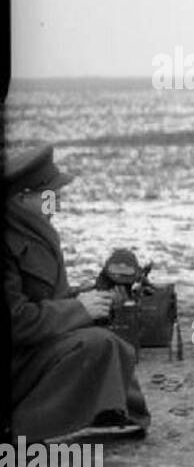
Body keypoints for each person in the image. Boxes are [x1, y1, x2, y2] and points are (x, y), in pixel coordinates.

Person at [4, 145, 151, 440]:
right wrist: (79, 310)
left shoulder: (34, 230)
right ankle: (26, 428)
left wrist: (93, 296)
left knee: (115, 344)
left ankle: (106, 414)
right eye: (49, 195)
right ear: (22, 198)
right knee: (96, 345)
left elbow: (47, 299)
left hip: (33, 350)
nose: (57, 202)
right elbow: (16, 320)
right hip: (17, 361)